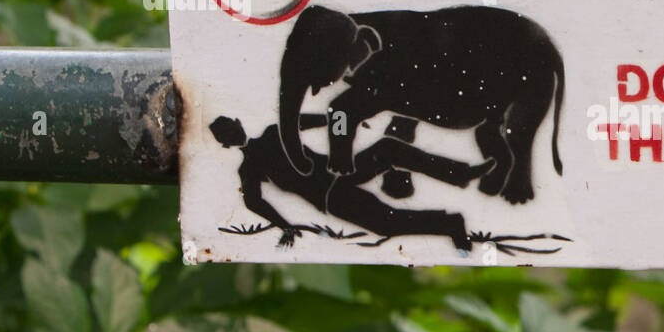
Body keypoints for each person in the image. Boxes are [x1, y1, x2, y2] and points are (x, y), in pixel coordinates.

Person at [209, 113, 492, 250]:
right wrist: (285, 225)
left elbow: (322, 118)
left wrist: (349, 120)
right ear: (225, 144)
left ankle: (460, 174)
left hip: (339, 174)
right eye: (226, 134)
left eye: (230, 127)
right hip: (331, 195)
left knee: (387, 149)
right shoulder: (250, 168)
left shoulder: (274, 133)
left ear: (238, 122)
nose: (233, 133)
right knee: (387, 222)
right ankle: (451, 224)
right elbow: (253, 201)